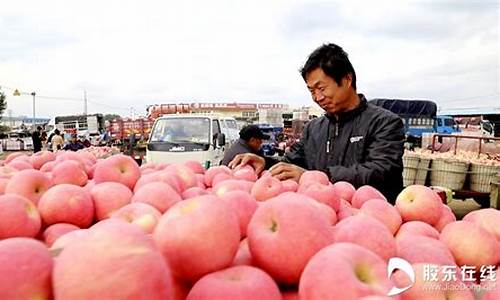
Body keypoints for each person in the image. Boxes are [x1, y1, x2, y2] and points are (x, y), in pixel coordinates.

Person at [229, 43, 405, 202]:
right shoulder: (314, 129)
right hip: (320, 218)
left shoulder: (384, 123)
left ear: (347, 79)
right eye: (311, 90)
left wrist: (314, 177)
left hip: (372, 221)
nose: (317, 97)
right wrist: (264, 162)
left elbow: (379, 172)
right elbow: (291, 164)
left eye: (321, 88)